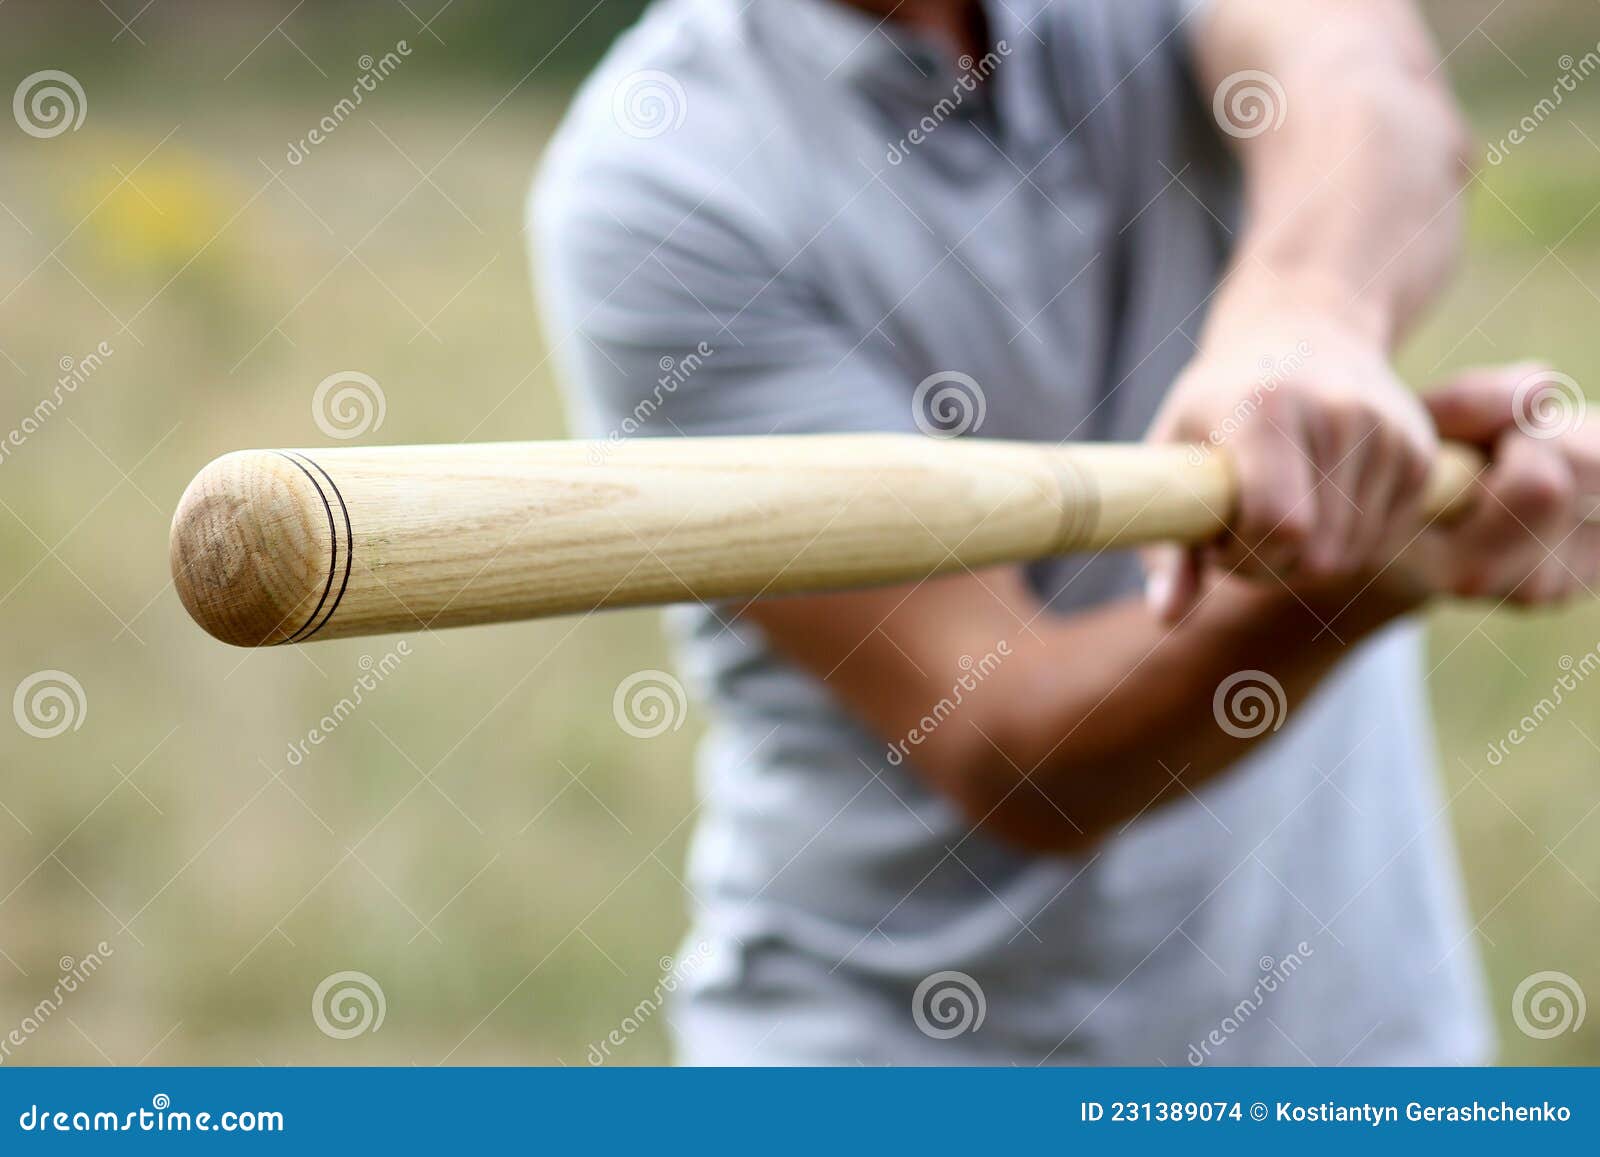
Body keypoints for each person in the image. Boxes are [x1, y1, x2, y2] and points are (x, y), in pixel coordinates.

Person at [532, 0, 1600, 1064]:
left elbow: (1366, 75)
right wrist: (1373, 569)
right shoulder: (657, 178)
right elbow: (1009, 740)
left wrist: (1304, 316)